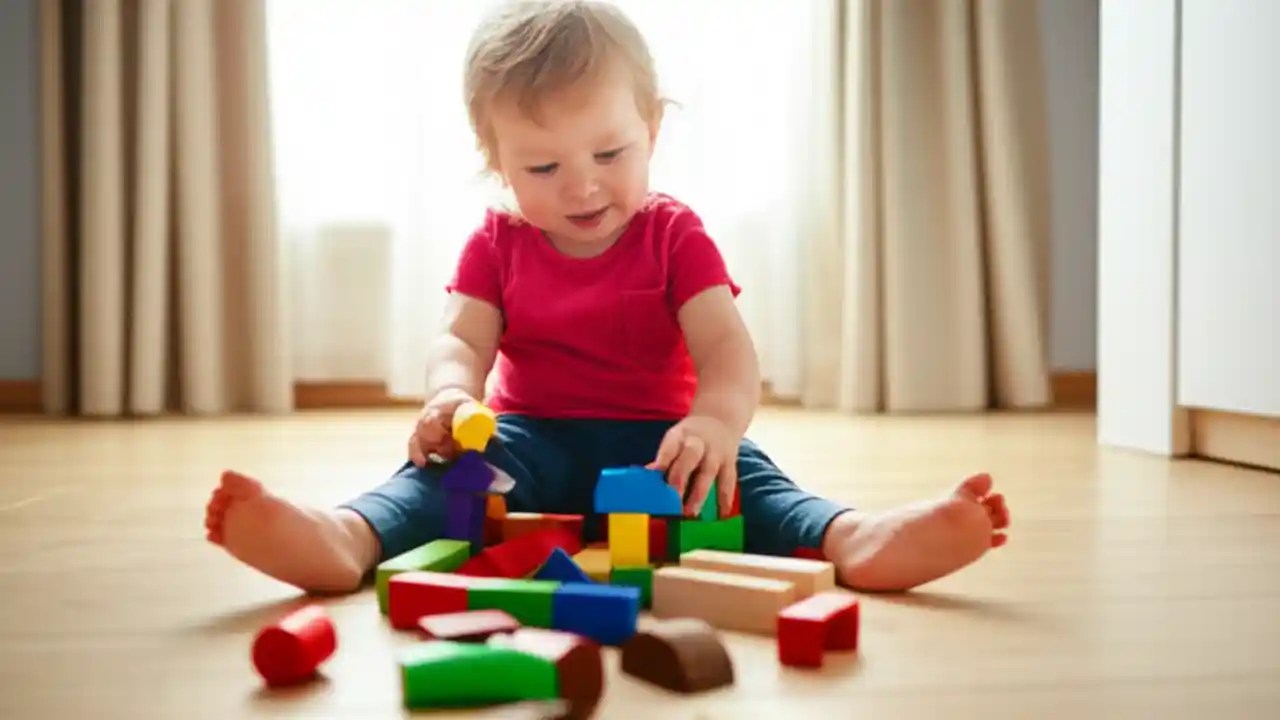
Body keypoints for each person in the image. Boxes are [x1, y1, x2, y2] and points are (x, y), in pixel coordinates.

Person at [204, 0, 1009, 596]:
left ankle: (856, 536)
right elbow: (461, 339)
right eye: (542, 168)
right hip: (528, 440)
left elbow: (727, 350)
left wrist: (715, 423)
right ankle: (347, 534)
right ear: (496, 162)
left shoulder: (674, 235)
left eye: (610, 151)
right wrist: (450, 394)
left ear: (652, 128)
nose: (583, 185)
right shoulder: (495, 240)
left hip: (664, 442)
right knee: (445, 477)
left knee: (751, 484)